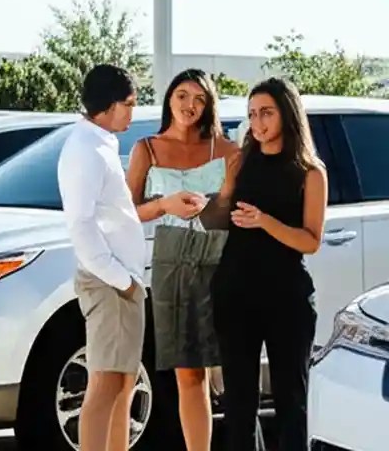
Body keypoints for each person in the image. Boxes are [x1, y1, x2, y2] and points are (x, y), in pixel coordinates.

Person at [58, 64, 202, 451]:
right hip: (110, 283)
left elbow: (112, 214)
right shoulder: (84, 150)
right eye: (128, 104)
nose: (132, 113)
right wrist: (119, 279)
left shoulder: (99, 143)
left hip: (123, 282)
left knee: (123, 382)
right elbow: (81, 223)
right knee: (105, 384)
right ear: (107, 105)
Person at [209, 77, 326, 451]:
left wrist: (264, 221)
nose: (257, 123)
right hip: (235, 295)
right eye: (252, 114)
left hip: (286, 298)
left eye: (266, 113)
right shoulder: (241, 163)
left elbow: (311, 241)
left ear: (287, 114)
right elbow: (214, 221)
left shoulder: (310, 172)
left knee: (292, 401)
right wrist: (226, 189)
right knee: (239, 406)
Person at [126, 69, 239, 451]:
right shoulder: (147, 148)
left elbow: (232, 209)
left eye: (199, 99)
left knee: (229, 369)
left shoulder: (227, 151)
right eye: (182, 95)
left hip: (220, 260)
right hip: (171, 260)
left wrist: (212, 205)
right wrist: (163, 206)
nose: (190, 105)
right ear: (169, 99)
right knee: (189, 373)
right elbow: (126, 210)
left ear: (208, 106)